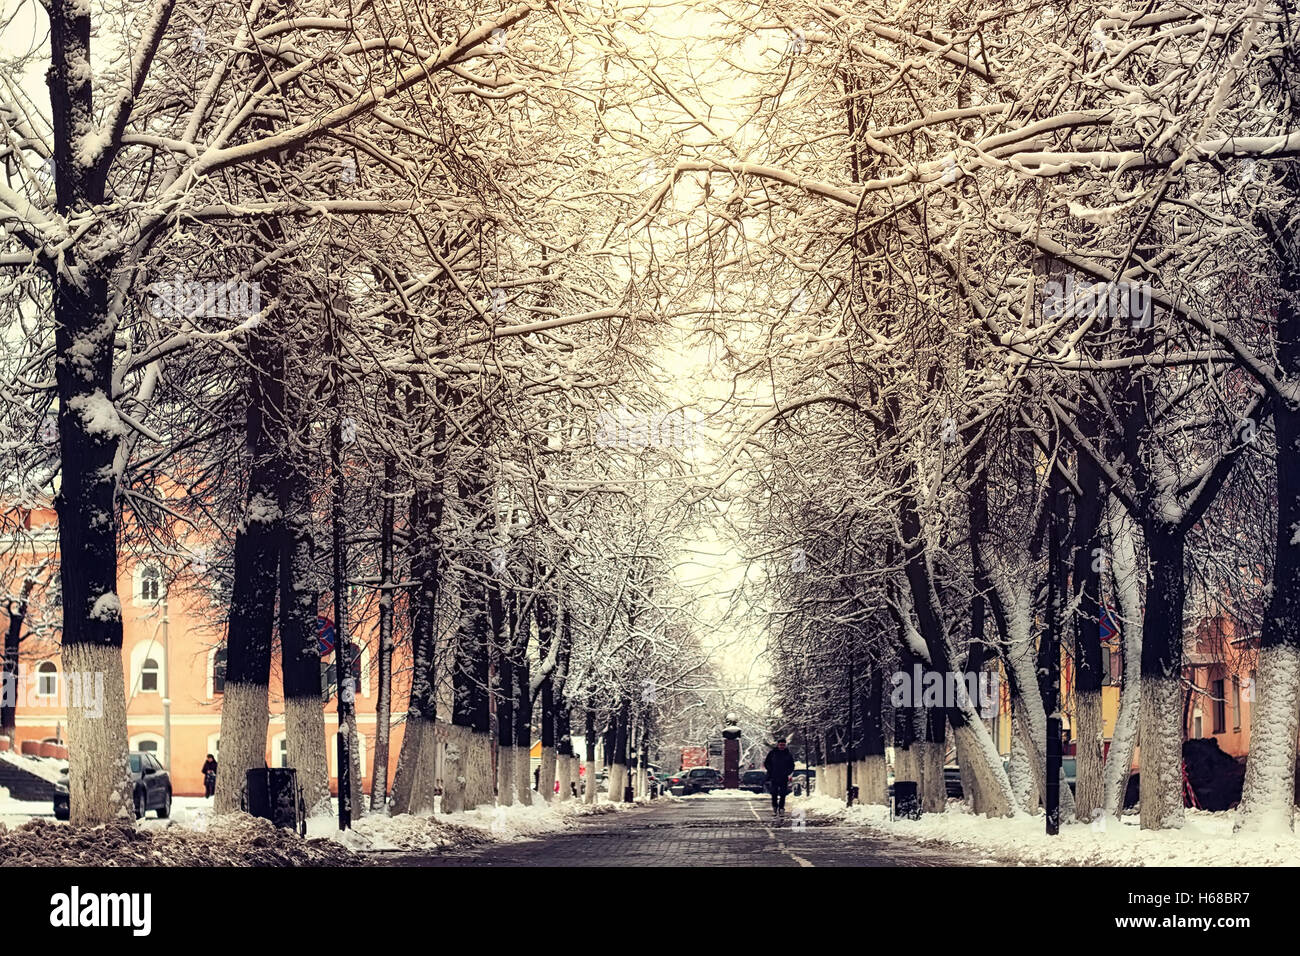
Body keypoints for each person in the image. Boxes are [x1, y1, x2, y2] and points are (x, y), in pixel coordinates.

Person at [764, 738, 796, 817]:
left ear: (785, 745)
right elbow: (766, 763)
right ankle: (775, 807)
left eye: (783, 745)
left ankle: (781, 808)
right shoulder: (772, 753)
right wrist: (771, 770)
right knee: (774, 793)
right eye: (780, 745)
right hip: (774, 776)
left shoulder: (788, 754)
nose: (782, 746)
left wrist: (787, 772)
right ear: (778, 745)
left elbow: (792, 765)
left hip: (783, 777)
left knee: (783, 794)